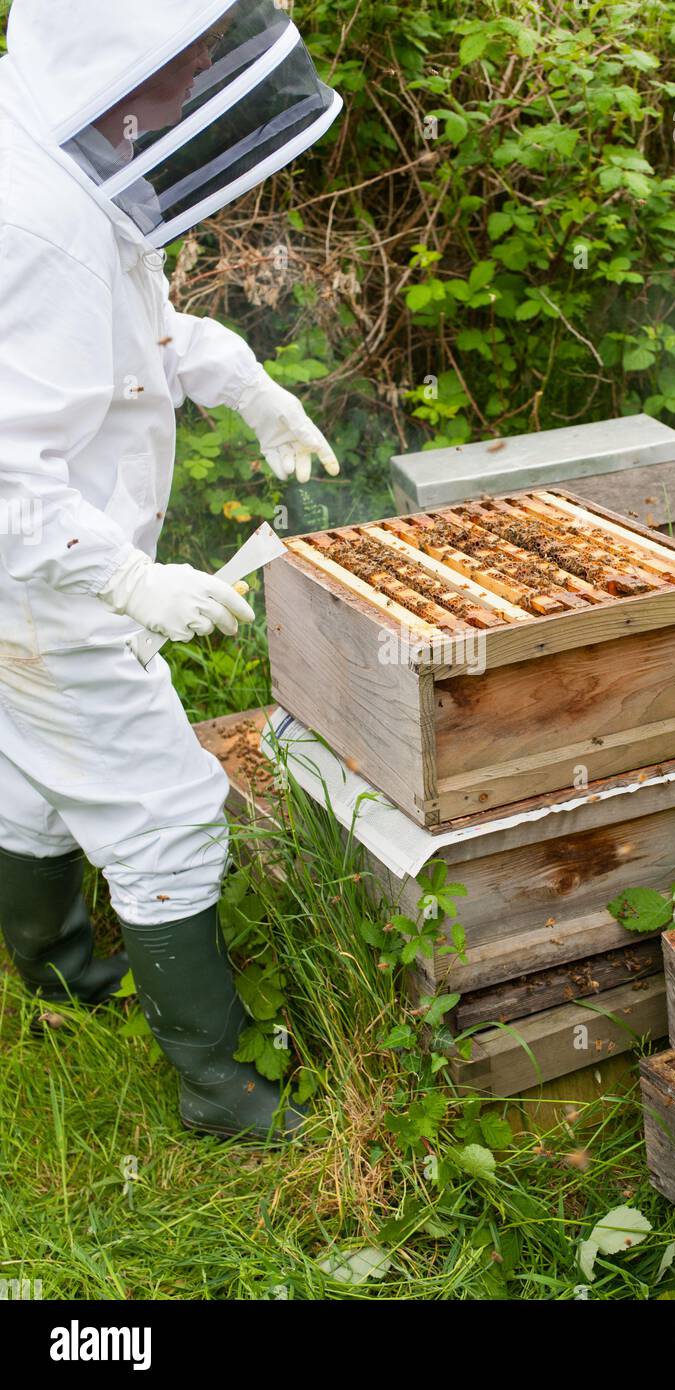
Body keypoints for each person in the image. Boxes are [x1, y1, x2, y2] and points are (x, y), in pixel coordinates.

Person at [0, 0, 343, 1141]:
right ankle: (218, 1085)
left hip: (37, 566)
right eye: (183, 58)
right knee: (166, 805)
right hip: (37, 576)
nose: (199, 79)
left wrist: (243, 378)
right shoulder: (40, 218)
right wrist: (127, 583)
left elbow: (127, 336)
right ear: (111, 57)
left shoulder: (58, 150)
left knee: (35, 773)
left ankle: (53, 975)